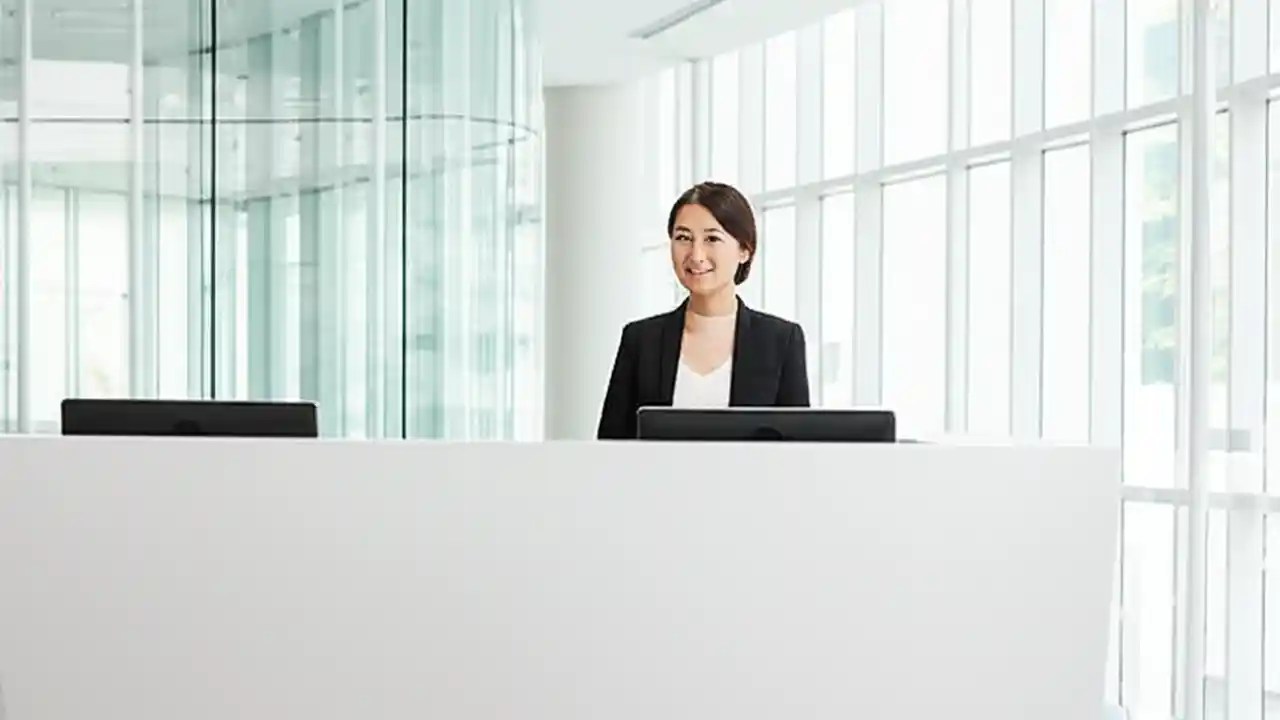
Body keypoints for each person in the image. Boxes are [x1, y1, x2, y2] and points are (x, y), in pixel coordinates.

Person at [596, 181, 810, 440]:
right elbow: (610, 447)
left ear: (744, 249)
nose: (696, 255)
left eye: (712, 239)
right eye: (683, 238)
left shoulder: (780, 340)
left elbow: (798, 451)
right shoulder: (641, 340)